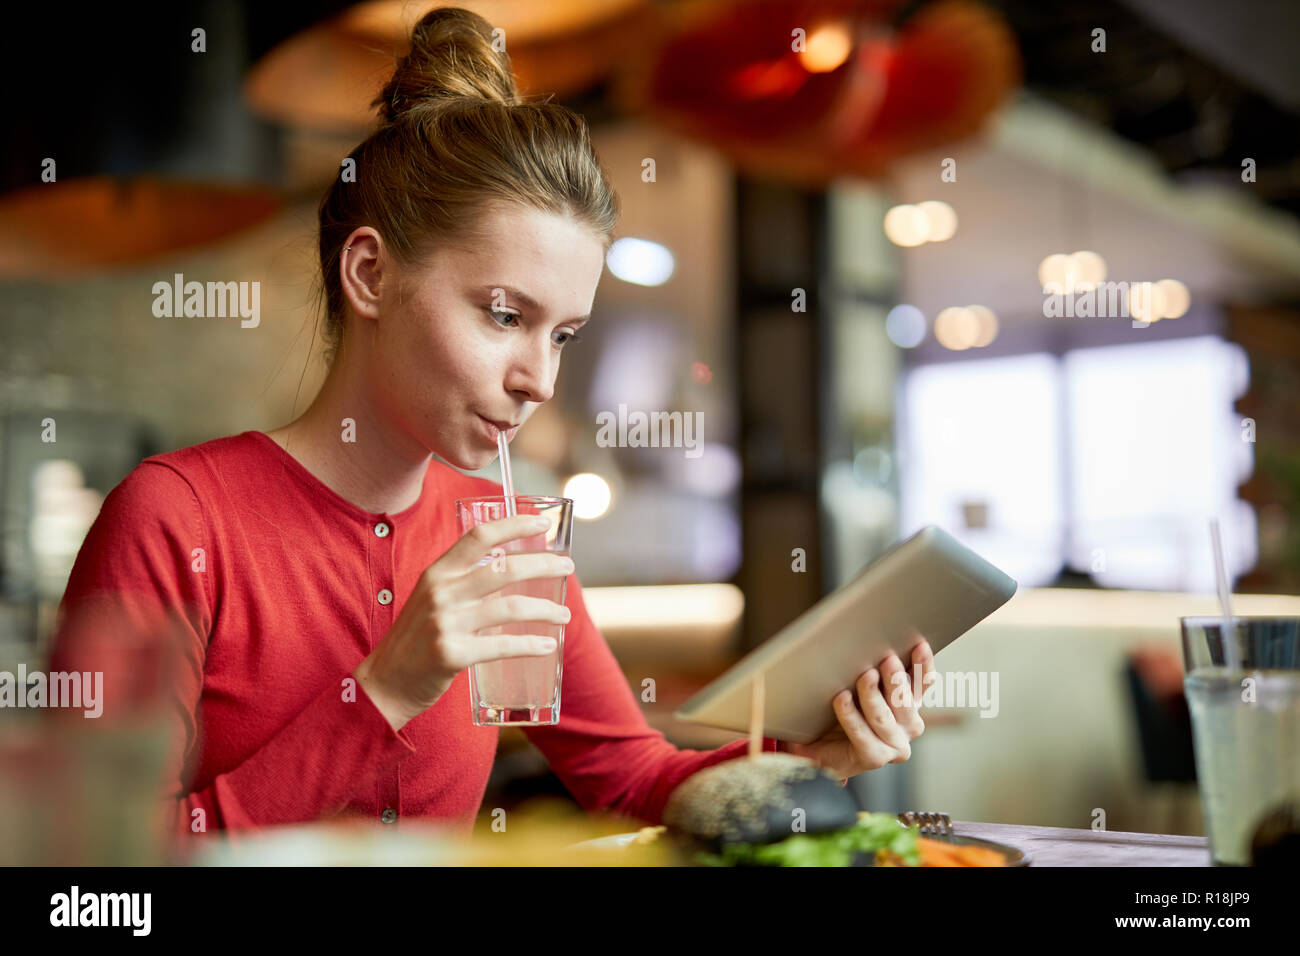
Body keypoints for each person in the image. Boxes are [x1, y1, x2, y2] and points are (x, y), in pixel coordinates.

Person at [48, 7, 934, 842]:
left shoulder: (501, 535)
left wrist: (809, 762)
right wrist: (384, 691)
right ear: (369, 276)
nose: (541, 379)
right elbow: (90, 870)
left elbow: (631, 781)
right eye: (504, 315)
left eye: (565, 335)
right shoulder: (174, 521)